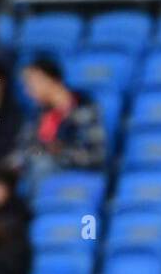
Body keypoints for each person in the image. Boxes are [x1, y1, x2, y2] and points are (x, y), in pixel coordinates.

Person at [15, 55, 106, 185]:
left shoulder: (84, 109)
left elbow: (95, 155)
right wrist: (44, 151)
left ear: (47, 79)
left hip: (73, 175)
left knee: (42, 165)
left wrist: (60, 152)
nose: (27, 91)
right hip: (39, 168)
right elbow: (26, 146)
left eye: (30, 84)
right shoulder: (38, 114)